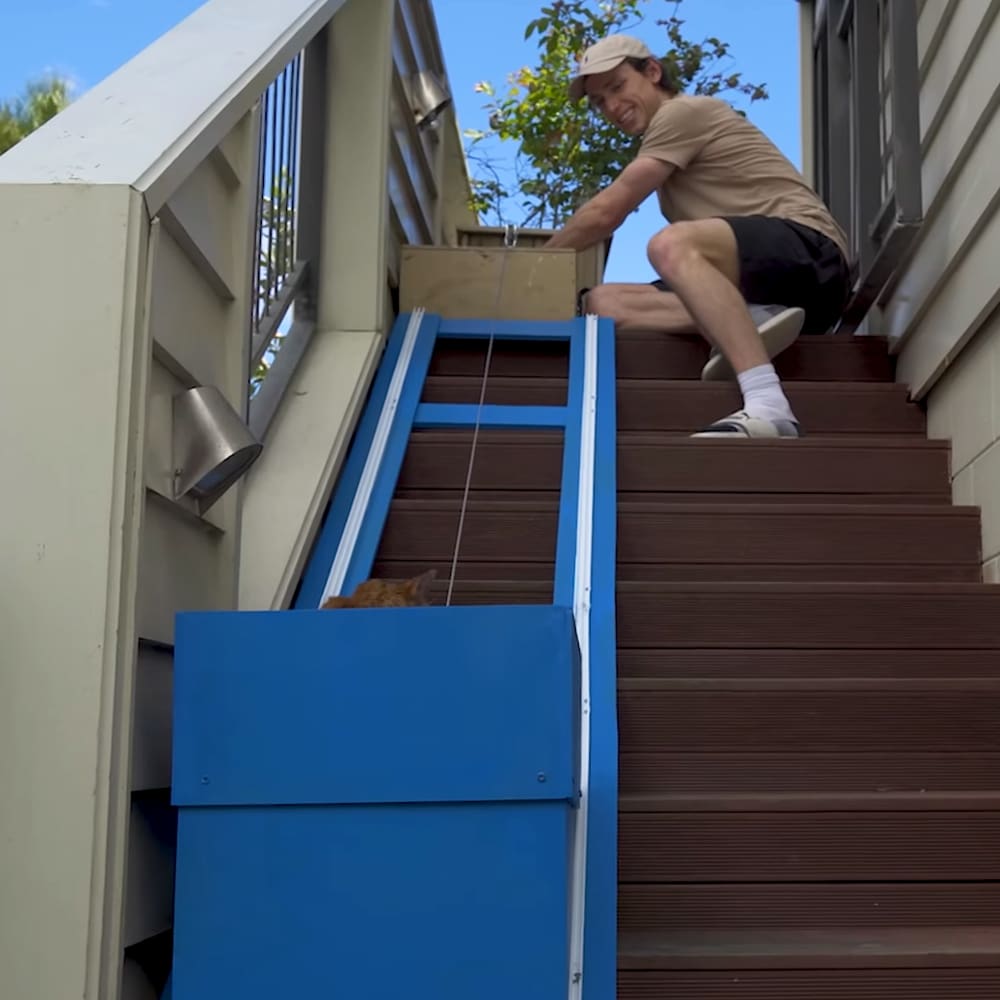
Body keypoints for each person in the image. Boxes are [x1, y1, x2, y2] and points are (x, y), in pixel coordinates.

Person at [545, 34, 851, 438]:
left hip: (812, 256)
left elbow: (607, 212)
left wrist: (536, 265)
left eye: (617, 87)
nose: (612, 107)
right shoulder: (666, 143)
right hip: (759, 278)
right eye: (600, 102)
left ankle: (768, 404)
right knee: (602, 303)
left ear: (652, 72)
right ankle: (758, 314)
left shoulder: (682, 113)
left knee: (669, 244)